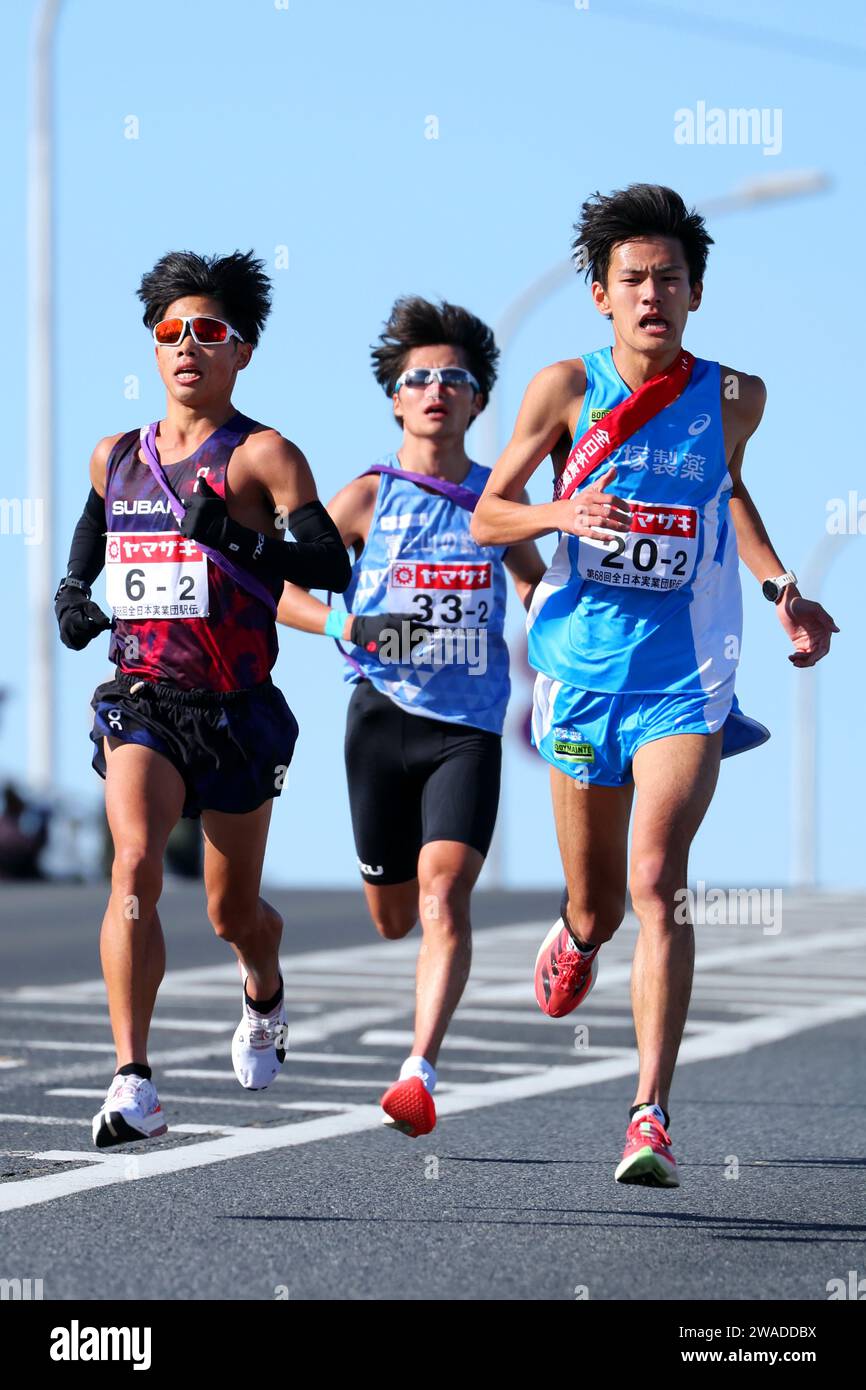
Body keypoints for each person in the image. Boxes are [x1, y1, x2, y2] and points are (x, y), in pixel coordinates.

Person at [471, 185, 839, 1186]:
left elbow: (728, 487)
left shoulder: (731, 397)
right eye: (630, 279)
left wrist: (780, 590)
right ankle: (578, 933)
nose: (650, 295)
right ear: (597, 294)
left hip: (686, 677)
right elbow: (488, 516)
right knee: (598, 903)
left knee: (656, 883)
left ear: (695, 293)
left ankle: (647, 1112)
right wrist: (559, 515)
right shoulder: (559, 390)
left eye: (667, 279)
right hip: (581, 675)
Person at [54, 250, 350, 1148]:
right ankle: (133, 1080)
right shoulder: (119, 454)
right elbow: (93, 528)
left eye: (208, 332)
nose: (188, 346)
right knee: (135, 863)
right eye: (171, 332)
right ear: (155, 348)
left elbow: (331, 567)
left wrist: (234, 538)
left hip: (237, 710)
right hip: (142, 698)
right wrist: (72, 591)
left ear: (242, 351)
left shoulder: (264, 456)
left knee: (231, 911)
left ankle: (262, 985)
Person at [277, 296, 546, 1137]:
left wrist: (559, 654)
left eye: (454, 379)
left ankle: (418, 1069)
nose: (435, 390)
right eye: (418, 378)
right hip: (379, 718)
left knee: (445, 894)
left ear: (476, 401)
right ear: (395, 397)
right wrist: (342, 621)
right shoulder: (365, 498)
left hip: (466, 728)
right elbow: (276, 587)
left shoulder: (499, 500)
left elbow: (535, 585)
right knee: (394, 915)